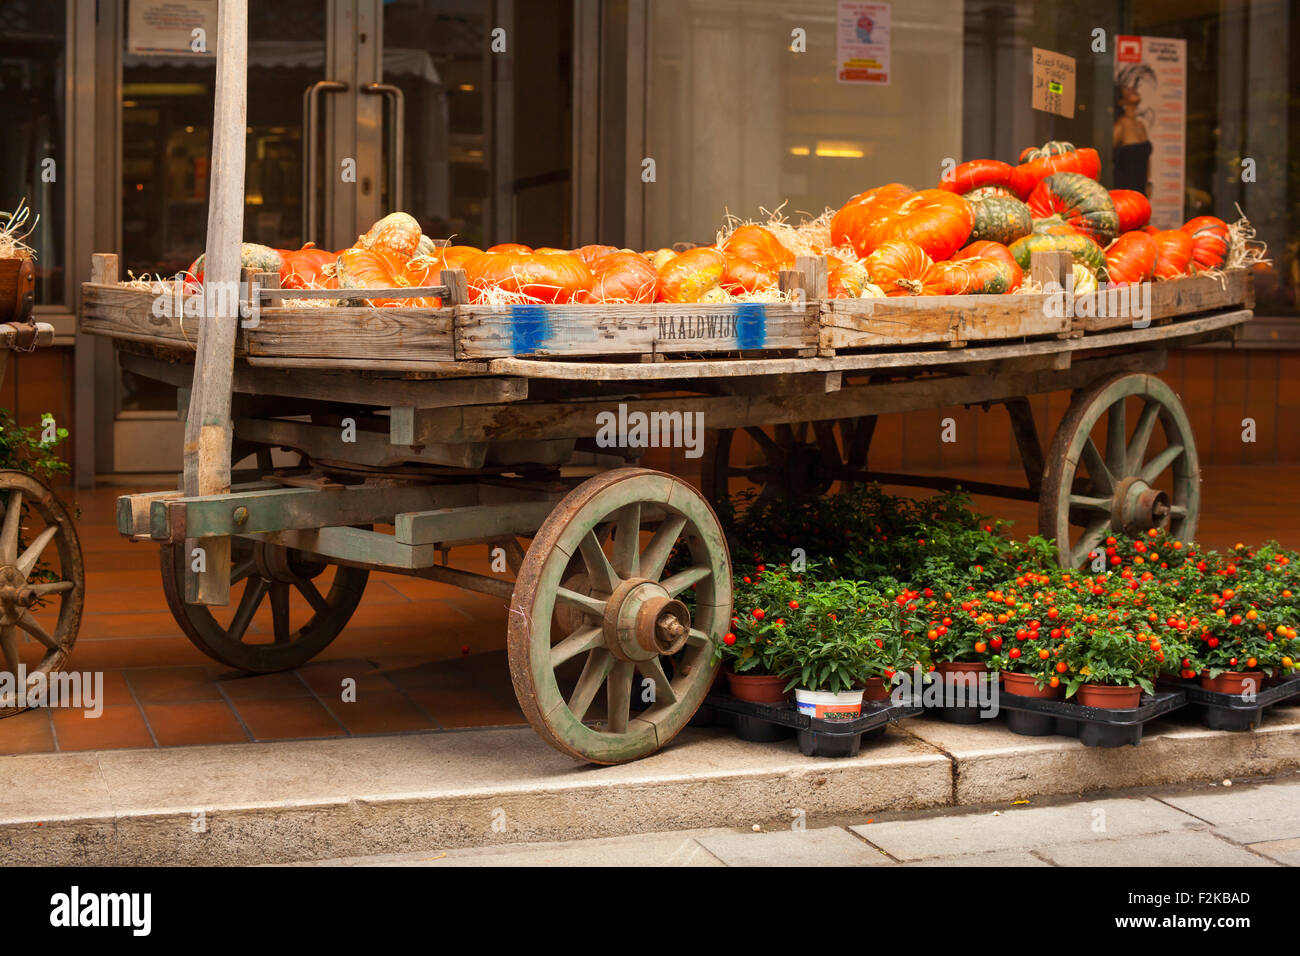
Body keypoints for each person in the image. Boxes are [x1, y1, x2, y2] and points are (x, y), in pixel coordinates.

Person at [1113, 63, 1156, 194]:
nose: (1133, 89)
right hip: (1124, 190)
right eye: (1127, 89)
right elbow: (1106, 156)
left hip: (1141, 189)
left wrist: (1149, 181)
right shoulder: (1120, 126)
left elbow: (1146, 157)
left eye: (1132, 88)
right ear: (1121, 101)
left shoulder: (1140, 125)